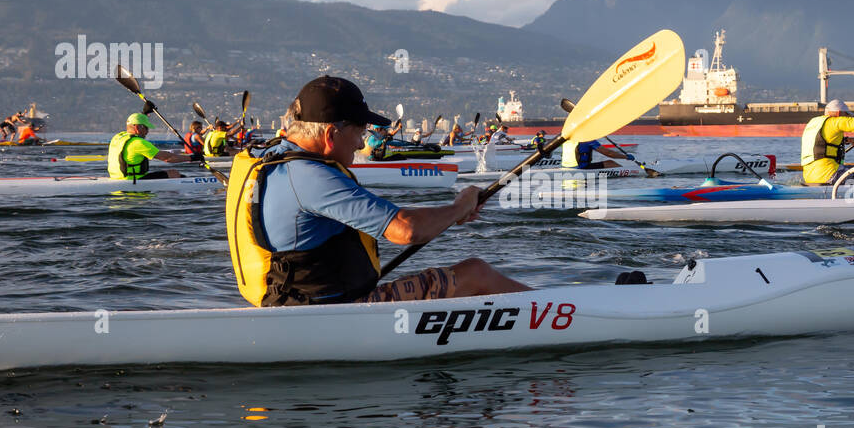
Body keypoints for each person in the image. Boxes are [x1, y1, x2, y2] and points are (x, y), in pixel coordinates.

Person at [226, 75, 528, 307]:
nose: (360, 145)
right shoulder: (310, 176)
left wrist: (447, 215)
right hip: (329, 315)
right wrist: (459, 206)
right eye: (359, 134)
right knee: (476, 273)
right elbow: (406, 231)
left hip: (293, 303)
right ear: (332, 134)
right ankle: (568, 315)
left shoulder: (273, 158)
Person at [107, 113, 194, 180]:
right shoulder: (138, 142)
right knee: (174, 173)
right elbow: (168, 158)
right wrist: (192, 158)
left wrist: (144, 114)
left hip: (116, 178)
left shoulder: (117, 137)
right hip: (132, 180)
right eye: (146, 128)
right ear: (138, 127)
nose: (147, 131)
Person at [560, 137, 632, 170]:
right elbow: (609, 153)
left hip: (565, 167)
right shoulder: (588, 139)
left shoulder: (566, 139)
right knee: (611, 163)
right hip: (581, 168)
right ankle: (628, 172)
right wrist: (625, 157)